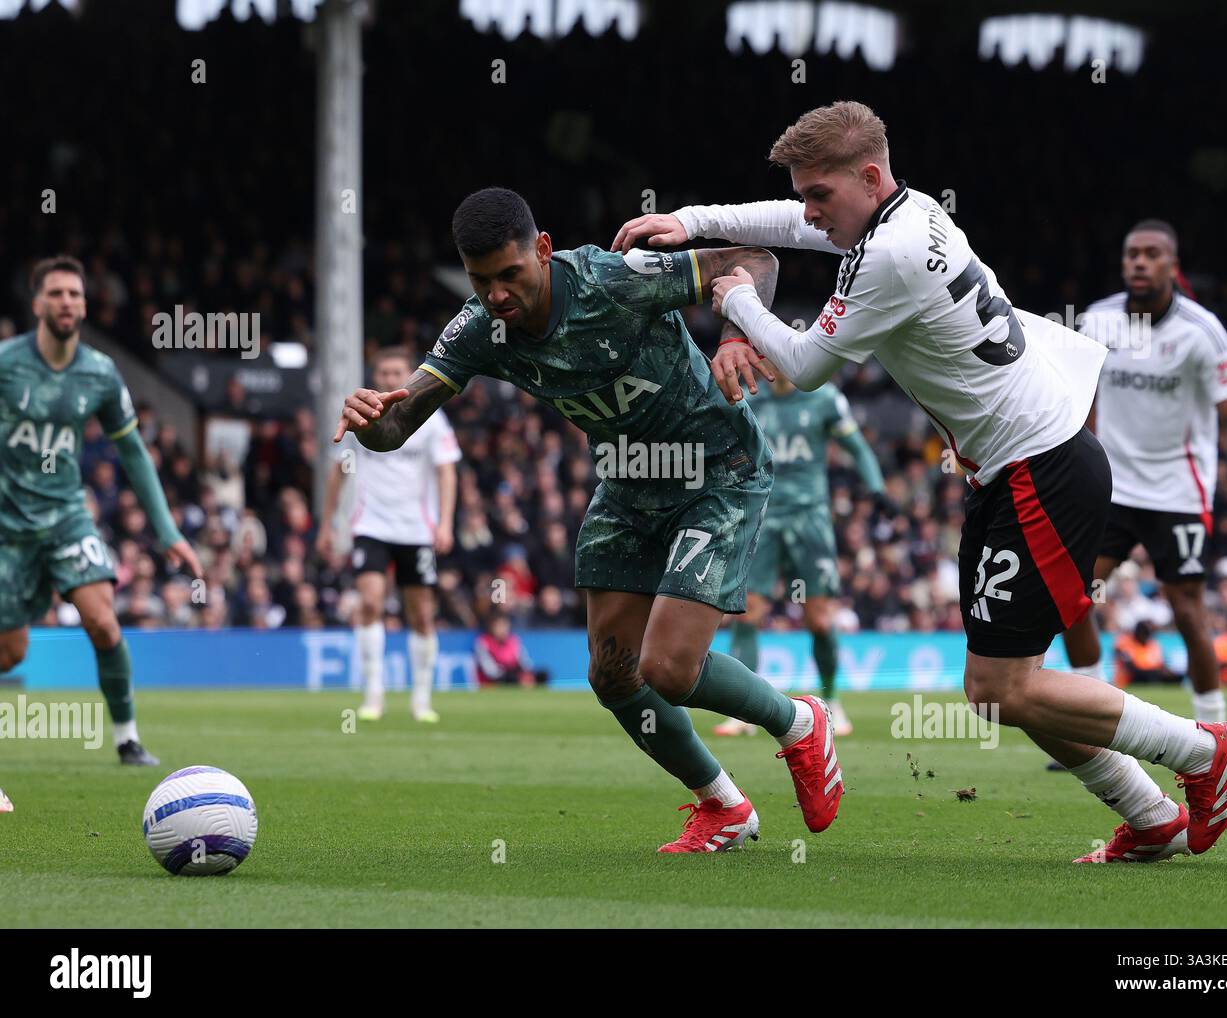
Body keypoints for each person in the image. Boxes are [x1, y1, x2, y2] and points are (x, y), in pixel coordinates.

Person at [613, 100, 1227, 863]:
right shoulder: (899, 211)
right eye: (806, 193)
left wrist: (734, 297)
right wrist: (695, 220)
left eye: (822, 195)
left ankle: (1204, 751)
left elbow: (807, 367)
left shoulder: (892, 253)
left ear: (868, 176)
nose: (811, 213)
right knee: (1002, 683)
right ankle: (1149, 817)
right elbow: (795, 221)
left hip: (1040, 470)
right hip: (1011, 470)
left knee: (1001, 687)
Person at [333, 188, 844, 853]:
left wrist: (737, 338)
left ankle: (800, 724)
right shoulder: (479, 328)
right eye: (481, 280)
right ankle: (722, 805)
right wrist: (371, 424)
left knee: (668, 666)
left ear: (542, 250)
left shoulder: (613, 280)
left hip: (717, 470)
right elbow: (400, 421)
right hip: (629, 484)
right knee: (612, 671)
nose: (497, 295)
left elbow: (753, 259)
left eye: (510, 274)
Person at [0, 256, 203, 765]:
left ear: (85, 305)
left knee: (104, 624)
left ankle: (127, 738)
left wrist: (168, 531)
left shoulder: (99, 372)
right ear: (37, 304)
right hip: (7, 522)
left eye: (75, 294)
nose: (67, 301)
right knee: (11, 653)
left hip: (67, 515)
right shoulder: (7, 364)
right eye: (57, 293)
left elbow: (133, 451)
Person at [1065, 220, 1227, 724]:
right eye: (1132, 254)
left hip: (1178, 494)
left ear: (1172, 265)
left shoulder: (1202, 331)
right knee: (1073, 596)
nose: (1140, 263)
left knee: (1187, 609)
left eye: (1152, 255)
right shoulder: (1098, 321)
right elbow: (1081, 402)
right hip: (1112, 488)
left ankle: (1215, 729)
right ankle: (1092, 718)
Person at [715, 365, 886, 736]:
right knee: (747, 614)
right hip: (762, 516)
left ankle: (832, 702)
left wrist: (875, 488)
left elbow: (856, 446)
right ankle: (743, 712)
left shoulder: (824, 398)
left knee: (821, 620)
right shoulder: (750, 401)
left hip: (810, 518)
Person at [319, 346, 460, 723]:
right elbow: (340, 469)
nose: (390, 378)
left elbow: (447, 471)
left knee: (421, 615)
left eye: (398, 371)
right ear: (376, 375)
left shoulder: (432, 419)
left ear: (409, 374)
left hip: (416, 529)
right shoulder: (364, 416)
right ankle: (373, 695)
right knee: (369, 602)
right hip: (372, 526)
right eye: (384, 372)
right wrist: (328, 522)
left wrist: (445, 522)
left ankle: (421, 700)